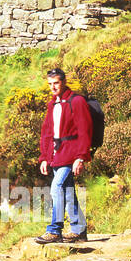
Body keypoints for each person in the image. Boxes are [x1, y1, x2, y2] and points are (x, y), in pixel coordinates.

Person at [34, 66, 91, 244]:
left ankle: (54, 230)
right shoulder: (52, 104)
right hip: (56, 155)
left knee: (56, 187)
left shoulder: (77, 101)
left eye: (56, 83)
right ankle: (79, 229)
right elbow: (47, 133)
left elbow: (84, 130)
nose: (53, 87)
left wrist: (81, 157)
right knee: (67, 191)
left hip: (71, 154)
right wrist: (44, 157)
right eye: (50, 84)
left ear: (64, 82)